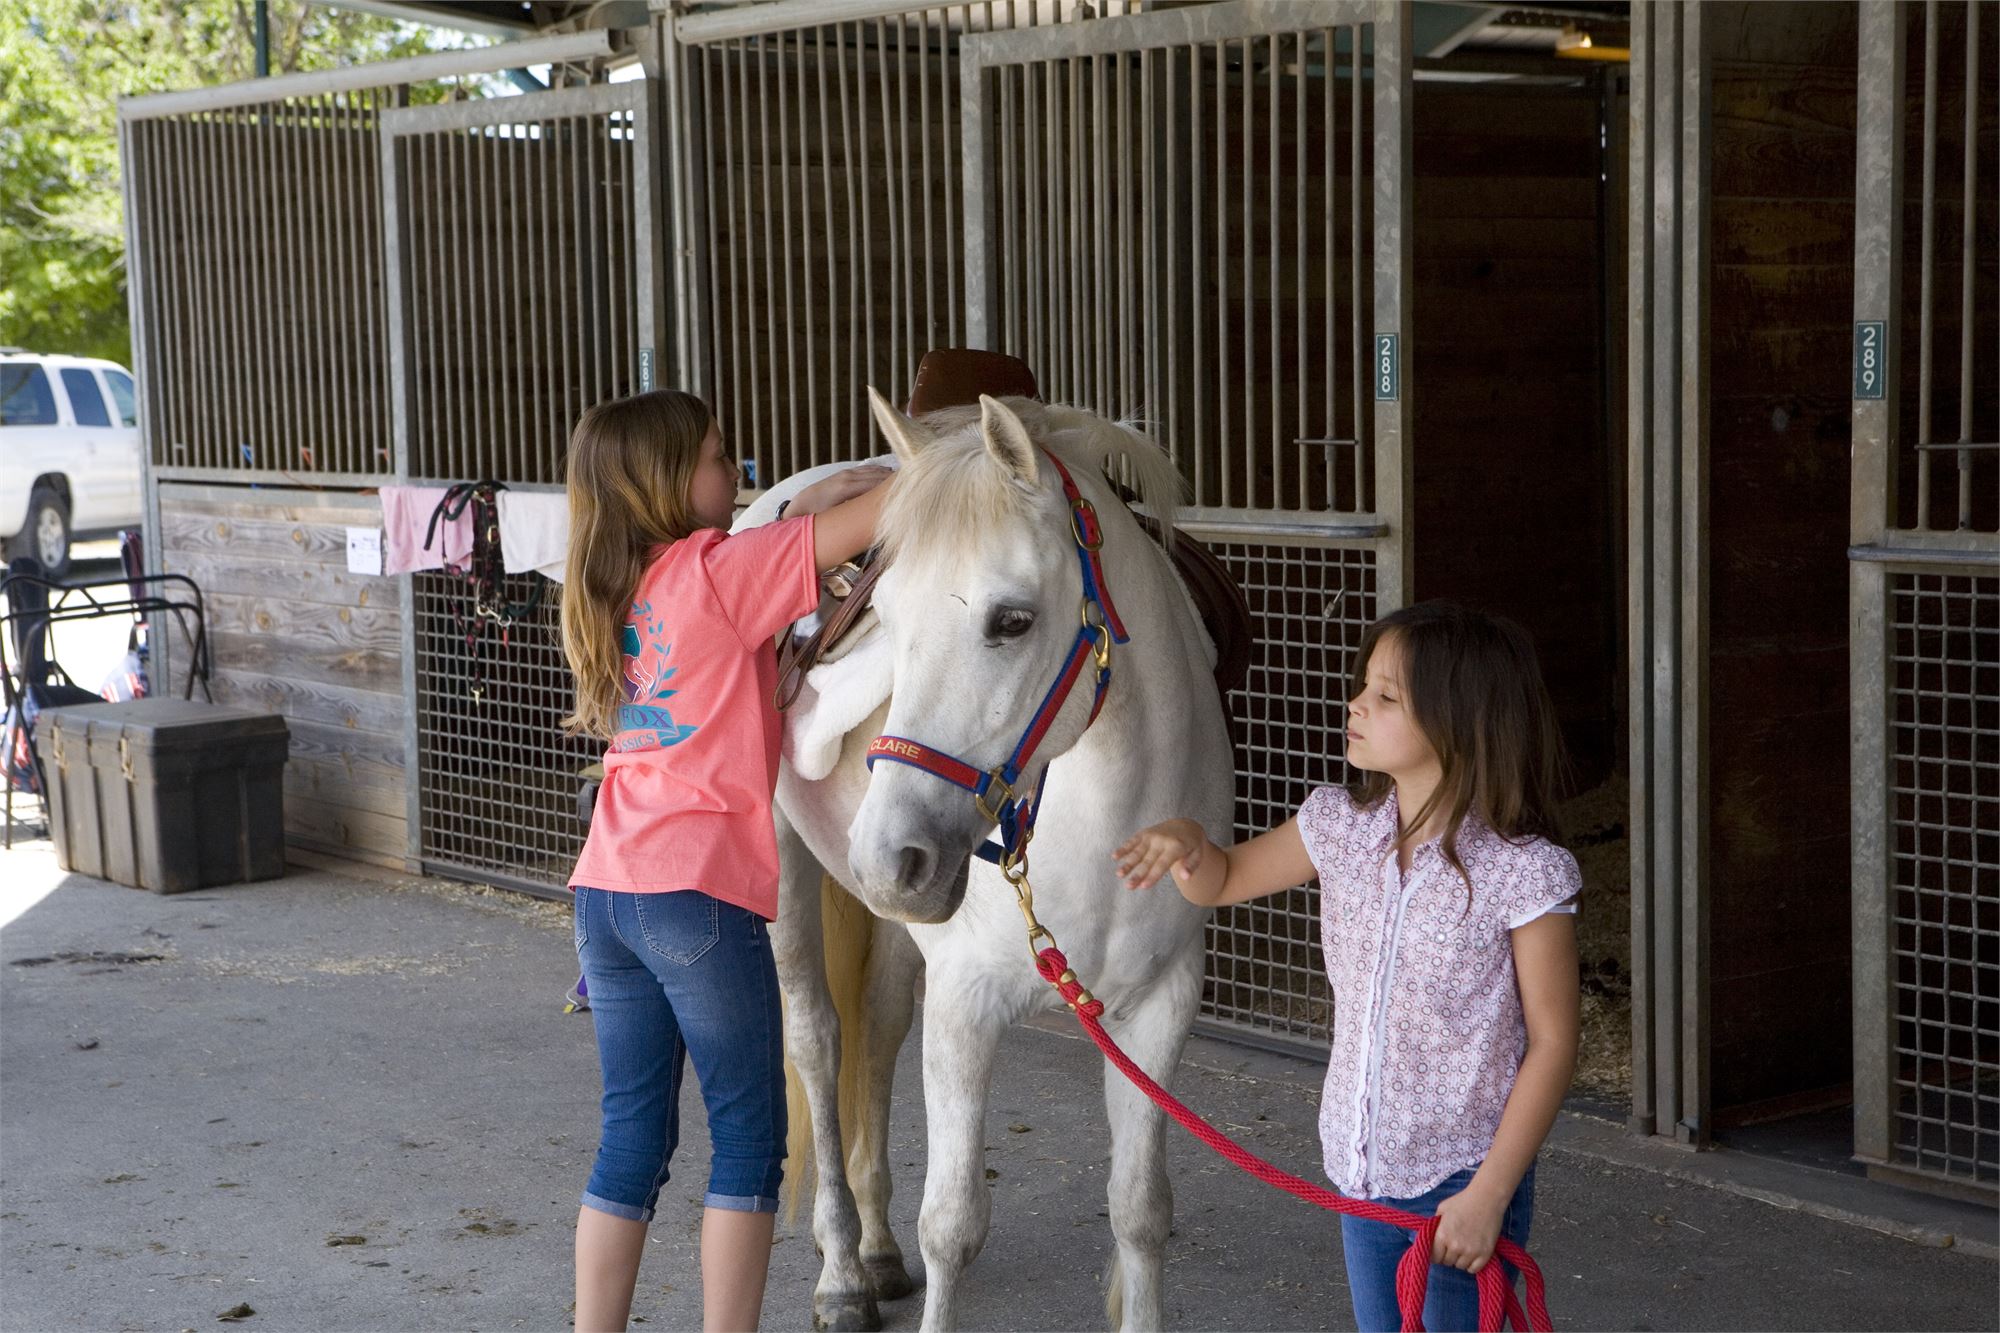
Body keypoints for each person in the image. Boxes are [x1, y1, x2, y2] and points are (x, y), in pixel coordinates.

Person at [1114, 601, 1580, 1333]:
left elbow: (1553, 1043)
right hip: (1361, 1169)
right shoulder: (1338, 826)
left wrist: (1490, 1194)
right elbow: (1226, 877)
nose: (1356, 704)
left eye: (1386, 696)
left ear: (1460, 722)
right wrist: (1190, 845)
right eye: (1365, 686)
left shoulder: (1524, 873)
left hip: (1462, 1176)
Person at [558, 389, 891, 1333]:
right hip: (697, 894)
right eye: (716, 455)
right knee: (748, 1142)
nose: (735, 469)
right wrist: (948, 455)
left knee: (631, 1141)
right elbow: (894, 508)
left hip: (607, 891)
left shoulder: (614, 582)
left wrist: (811, 508)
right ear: (669, 480)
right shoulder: (720, 571)